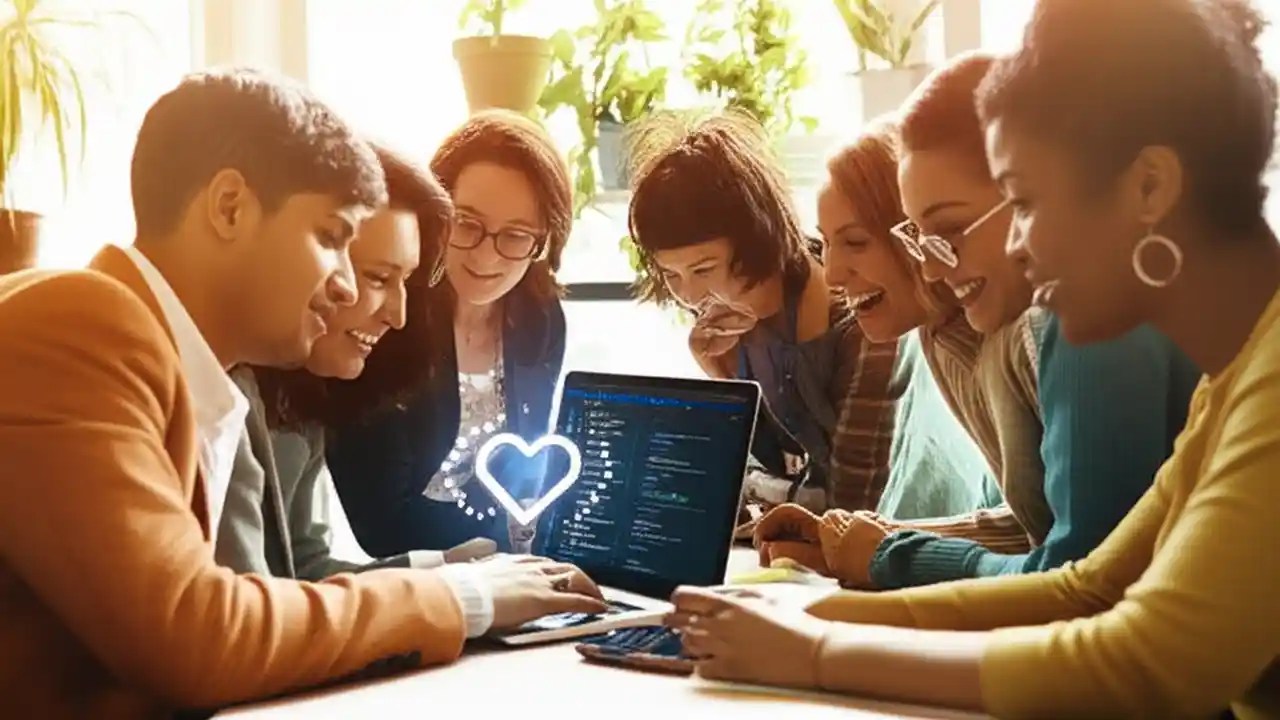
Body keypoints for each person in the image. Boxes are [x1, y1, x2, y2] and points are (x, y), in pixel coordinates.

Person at [667, 0, 1280, 715]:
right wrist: (806, 621)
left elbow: (1146, 661)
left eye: (1024, 203)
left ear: (1150, 187)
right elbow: (1087, 586)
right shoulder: (1231, 381)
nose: (1017, 247)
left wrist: (816, 654)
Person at [0, 68, 604, 716]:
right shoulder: (81, 322)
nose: (344, 286)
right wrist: (463, 598)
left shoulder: (179, 367)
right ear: (229, 207)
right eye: (331, 238)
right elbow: (198, 634)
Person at [754, 51, 1200, 590]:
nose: (934, 268)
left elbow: (1082, 580)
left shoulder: (1086, 318)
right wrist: (852, 540)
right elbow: (1044, 529)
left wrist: (886, 557)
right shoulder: (998, 332)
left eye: (951, 229)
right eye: (917, 238)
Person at [216, 144, 497, 578]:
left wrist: (445, 570)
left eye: (406, 281)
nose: (398, 316)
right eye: (378, 278)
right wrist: (460, 598)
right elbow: (252, 615)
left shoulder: (302, 396)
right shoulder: (216, 393)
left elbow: (303, 568)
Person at [626, 109, 900, 512]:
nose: (690, 294)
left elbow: (857, 503)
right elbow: (750, 476)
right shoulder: (737, 326)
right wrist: (722, 382)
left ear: (755, 238)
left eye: (704, 269)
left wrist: (764, 489)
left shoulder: (861, 318)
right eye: (671, 274)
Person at [326, 110, 572, 556]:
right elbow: (381, 523)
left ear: (543, 243)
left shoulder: (540, 319)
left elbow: (520, 478)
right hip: (423, 574)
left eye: (516, 236)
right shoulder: (386, 318)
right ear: (437, 214)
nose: (485, 254)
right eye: (467, 223)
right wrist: (495, 550)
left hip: (504, 569)